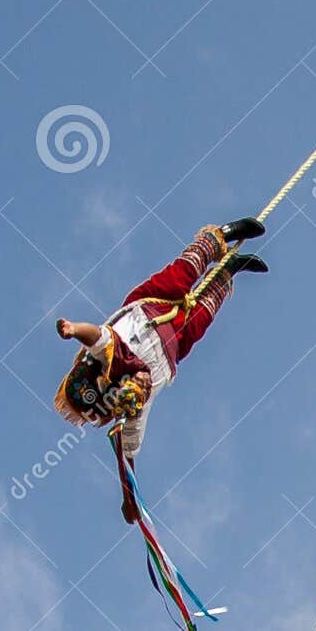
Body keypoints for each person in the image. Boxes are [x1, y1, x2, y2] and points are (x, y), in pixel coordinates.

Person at [54, 218, 268, 519]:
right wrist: (130, 501)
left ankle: (225, 234)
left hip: (149, 307)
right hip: (171, 349)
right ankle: (230, 271)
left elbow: (95, 335)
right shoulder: (132, 411)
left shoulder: (111, 357)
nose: (140, 386)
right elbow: (126, 460)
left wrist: (72, 329)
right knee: (202, 317)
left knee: (182, 274)